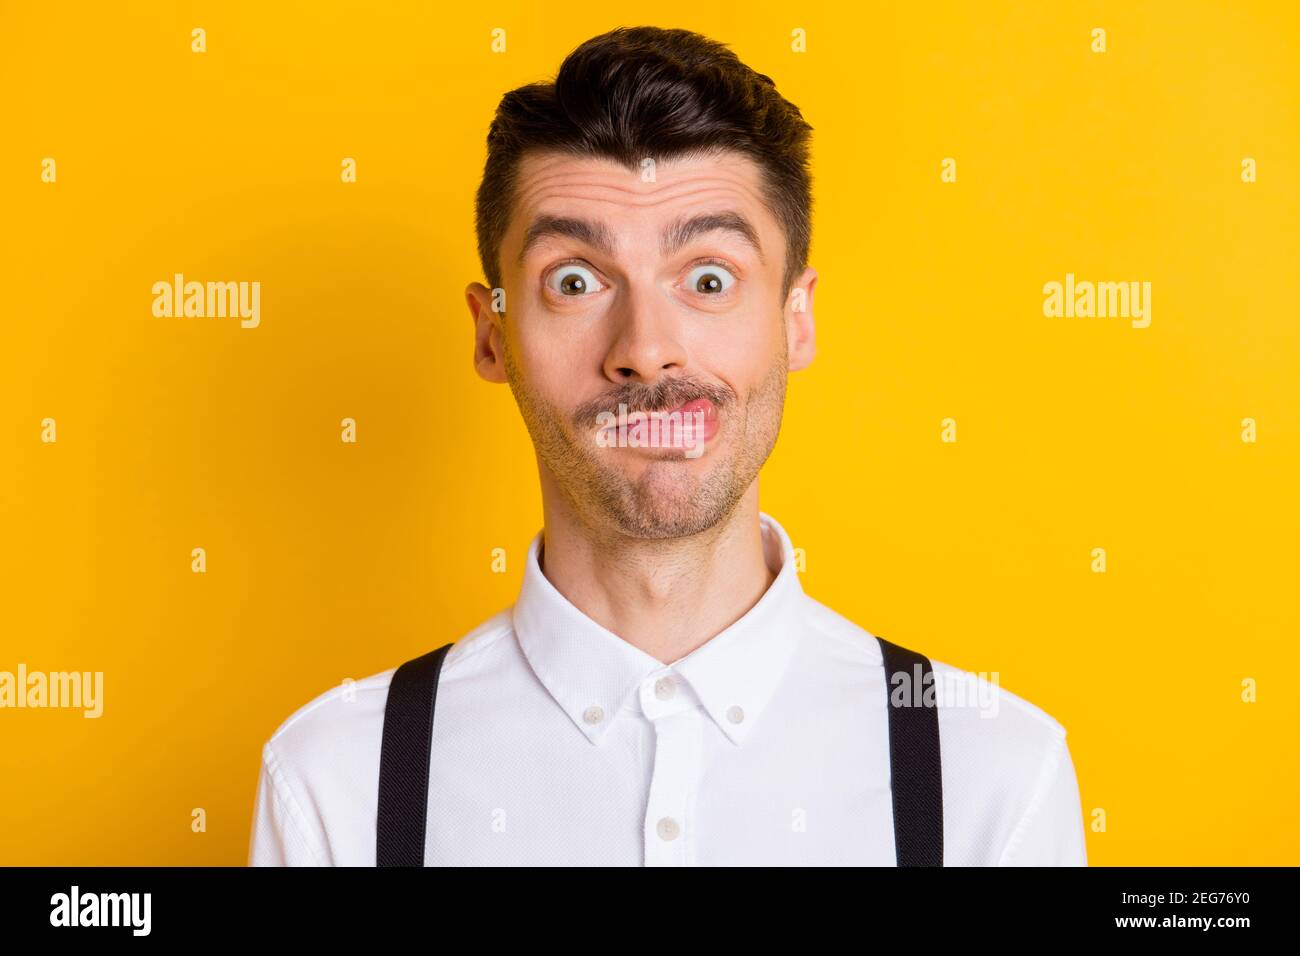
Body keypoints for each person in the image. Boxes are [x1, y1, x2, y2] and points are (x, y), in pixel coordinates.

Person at [248, 25, 1087, 866]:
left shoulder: (989, 777)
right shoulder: (340, 781)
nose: (646, 349)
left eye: (709, 279)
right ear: (491, 334)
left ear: (797, 320)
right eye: (574, 280)